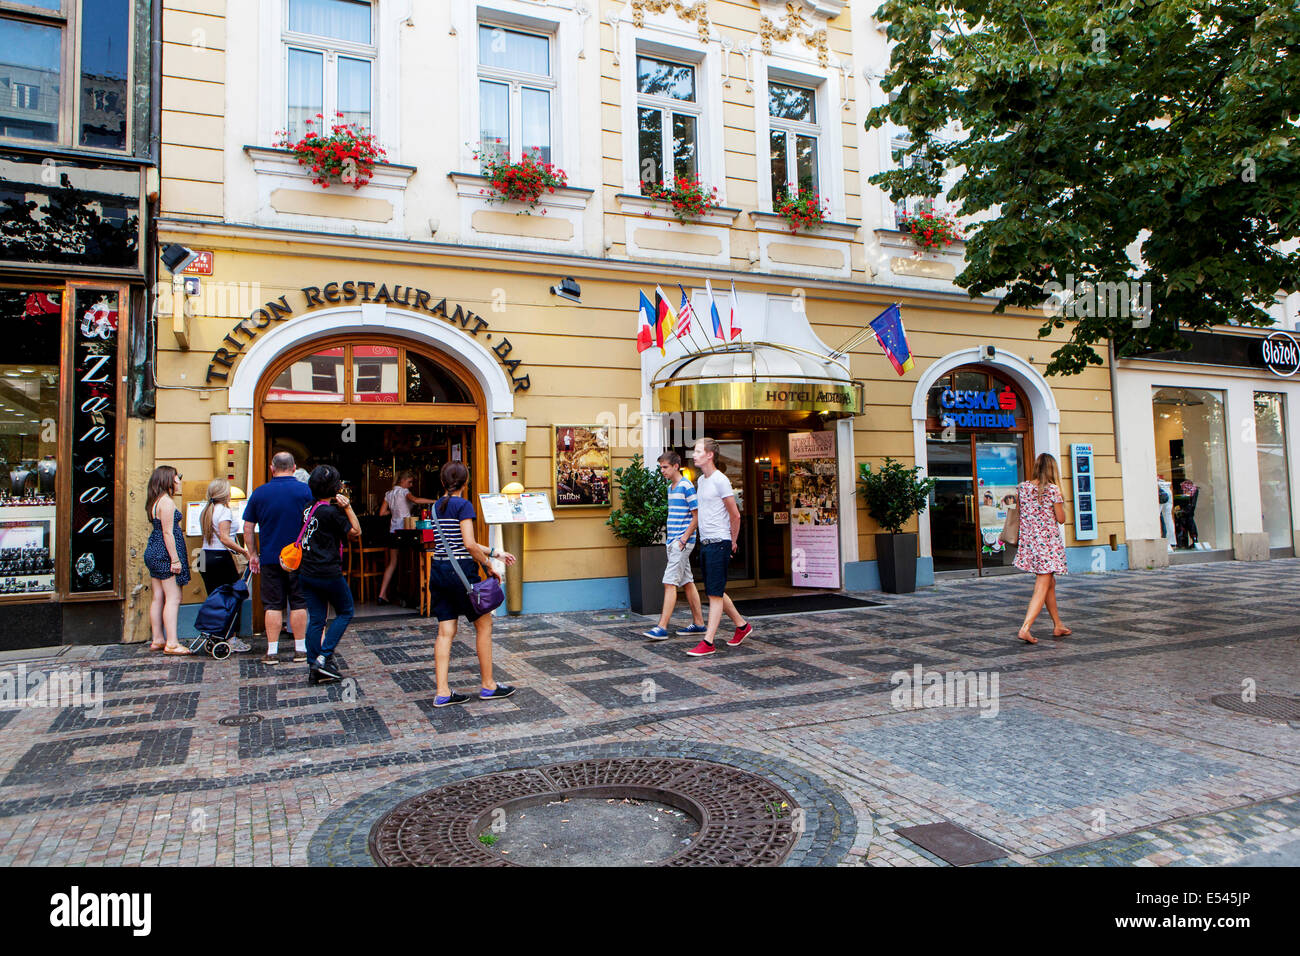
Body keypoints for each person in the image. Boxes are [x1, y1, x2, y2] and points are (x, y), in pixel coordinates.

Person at [429, 461, 517, 707]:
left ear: (443, 482)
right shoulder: (463, 505)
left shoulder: (437, 507)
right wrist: (488, 565)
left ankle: (443, 691)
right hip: (462, 573)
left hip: (439, 571)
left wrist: (495, 553)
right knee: (484, 625)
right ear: (465, 483)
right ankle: (488, 685)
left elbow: (456, 542)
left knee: (445, 631)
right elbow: (468, 544)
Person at [242, 451, 315, 665]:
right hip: (299, 558)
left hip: (271, 557)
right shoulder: (306, 491)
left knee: (272, 605)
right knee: (299, 602)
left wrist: (253, 554)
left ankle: (272, 652)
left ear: (272, 469)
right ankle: (300, 650)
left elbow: (248, 527)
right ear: (294, 468)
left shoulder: (260, 493)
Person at [685, 438, 752, 656]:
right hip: (706, 543)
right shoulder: (702, 481)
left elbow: (735, 514)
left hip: (719, 542)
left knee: (714, 594)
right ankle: (742, 626)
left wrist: (732, 541)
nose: (694, 455)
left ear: (710, 455)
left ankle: (709, 642)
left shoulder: (721, 480)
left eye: (698, 451)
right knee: (716, 589)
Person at [298, 465, 361, 684]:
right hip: (327, 571)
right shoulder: (332, 513)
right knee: (346, 611)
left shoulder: (309, 508)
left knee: (316, 618)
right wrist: (348, 507)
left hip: (306, 570)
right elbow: (356, 532)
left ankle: (313, 665)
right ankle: (324, 657)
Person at [643, 451, 708, 641]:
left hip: (681, 542)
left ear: (675, 466)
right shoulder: (671, 487)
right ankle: (699, 624)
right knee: (687, 582)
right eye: (661, 467)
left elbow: (697, 516)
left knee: (669, 582)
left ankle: (662, 627)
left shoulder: (686, 486)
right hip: (673, 542)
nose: (662, 471)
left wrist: (683, 540)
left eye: (665, 467)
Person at [1014, 453, 1072, 644]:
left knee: (1049, 583)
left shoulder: (1023, 488)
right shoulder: (1053, 490)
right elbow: (1061, 519)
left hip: (1031, 543)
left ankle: (1058, 625)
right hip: (1047, 544)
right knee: (1041, 586)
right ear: (1052, 469)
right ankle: (1025, 628)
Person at [143, 465, 192, 655]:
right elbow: (168, 532)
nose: (179, 481)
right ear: (167, 481)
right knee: (174, 597)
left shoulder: (155, 501)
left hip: (153, 550)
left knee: (158, 597)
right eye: (176, 478)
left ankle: (158, 638)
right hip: (164, 552)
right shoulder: (168, 503)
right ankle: (172, 643)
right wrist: (175, 560)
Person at [198, 477, 251, 652]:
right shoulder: (224, 512)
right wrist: (243, 551)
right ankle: (231, 638)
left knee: (214, 597)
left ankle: (215, 633)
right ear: (225, 493)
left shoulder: (206, 510)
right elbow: (225, 538)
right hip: (220, 557)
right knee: (232, 596)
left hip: (205, 556)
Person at [377, 469, 435, 606]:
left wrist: (394, 510)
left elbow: (382, 512)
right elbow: (415, 500)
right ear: (402, 481)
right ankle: (415, 595)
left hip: (393, 531)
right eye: (409, 482)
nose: (410, 485)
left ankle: (382, 594)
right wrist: (435, 501)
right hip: (406, 530)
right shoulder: (403, 492)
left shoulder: (389, 494)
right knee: (413, 561)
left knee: (393, 563)